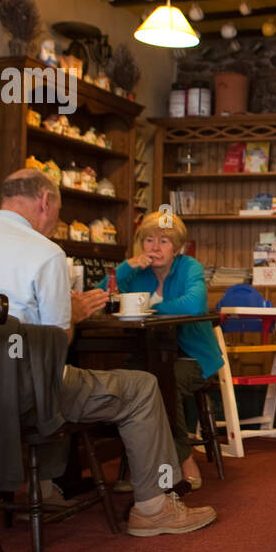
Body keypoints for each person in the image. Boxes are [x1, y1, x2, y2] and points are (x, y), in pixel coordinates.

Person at [0, 169, 217, 538]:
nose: (55, 222)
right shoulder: (44, 252)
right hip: (22, 396)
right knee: (142, 386)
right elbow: (56, 342)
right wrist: (75, 313)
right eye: (58, 211)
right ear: (45, 201)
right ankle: (153, 508)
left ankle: (42, 488)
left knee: (56, 377)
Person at [102, 210, 223, 490]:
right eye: (149, 240)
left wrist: (147, 308)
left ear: (178, 248)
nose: (155, 247)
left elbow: (194, 305)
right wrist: (128, 266)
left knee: (160, 384)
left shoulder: (188, 267)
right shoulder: (137, 274)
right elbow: (102, 296)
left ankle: (182, 460)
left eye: (164, 241)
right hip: (147, 353)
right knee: (124, 384)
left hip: (193, 358)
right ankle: (146, 465)